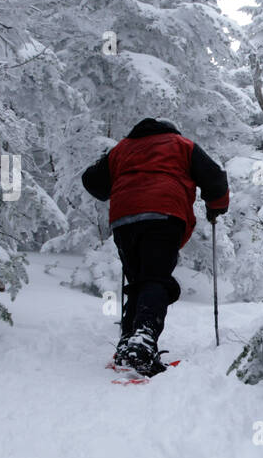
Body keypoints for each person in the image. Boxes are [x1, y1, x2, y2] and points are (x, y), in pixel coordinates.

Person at [81, 118, 229, 376]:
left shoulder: (122, 148)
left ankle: (129, 342)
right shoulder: (182, 145)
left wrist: (118, 176)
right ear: (172, 130)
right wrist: (216, 207)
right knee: (156, 279)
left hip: (124, 218)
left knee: (138, 279)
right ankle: (143, 340)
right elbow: (214, 177)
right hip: (164, 213)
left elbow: (92, 181)